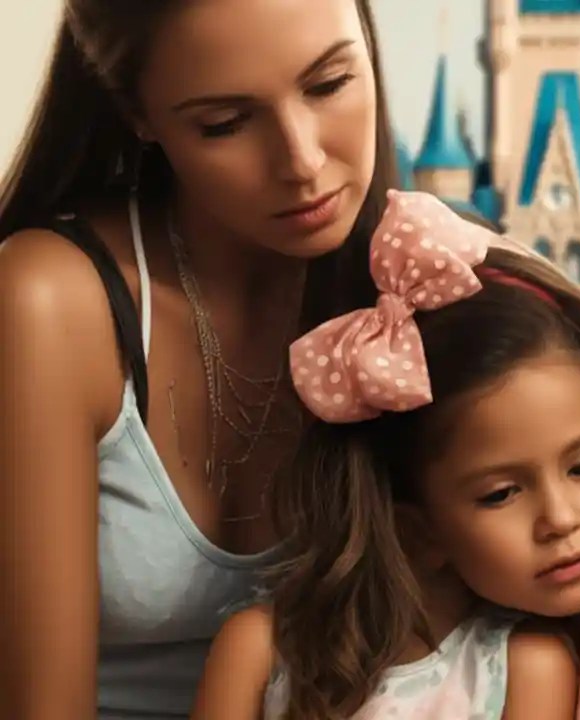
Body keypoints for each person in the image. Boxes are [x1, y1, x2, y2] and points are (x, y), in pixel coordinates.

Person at [0, 1, 395, 716]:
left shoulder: (434, 281)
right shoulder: (50, 301)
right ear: (138, 115)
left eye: (329, 83)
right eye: (225, 123)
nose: (302, 161)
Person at [190, 190, 580, 718]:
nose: (559, 519)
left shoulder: (531, 666)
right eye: (501, 493)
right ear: (416, 527)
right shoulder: (257, 651)